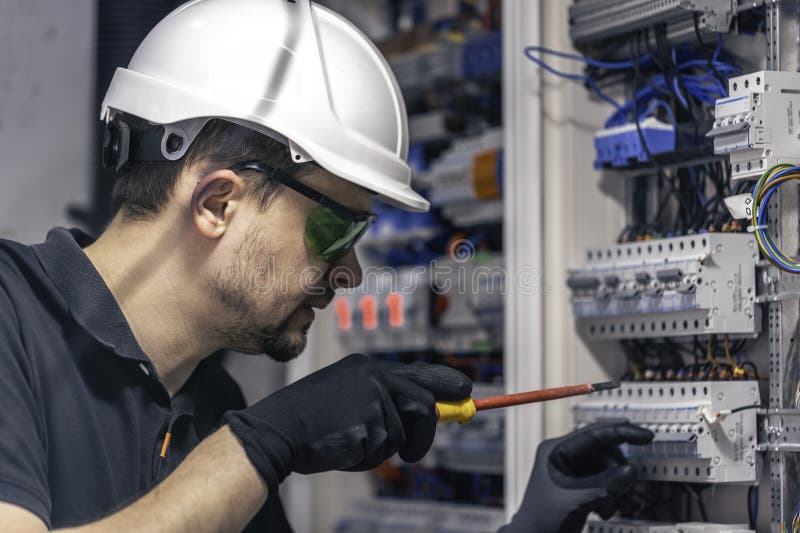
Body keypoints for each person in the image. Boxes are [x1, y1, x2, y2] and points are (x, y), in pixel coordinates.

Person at [0, 0, 653, 531]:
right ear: (217, 201)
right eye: (336, 225)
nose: (350, 273)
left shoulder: (210, 403)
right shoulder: (10, 320)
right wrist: (262, 442)